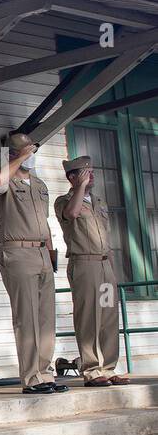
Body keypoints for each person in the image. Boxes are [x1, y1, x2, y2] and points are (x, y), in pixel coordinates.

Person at [0, 132, 67, 394]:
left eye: (32, 152)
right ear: (13, 154)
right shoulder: (5, 179)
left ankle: (45, 373)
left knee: (46, 318)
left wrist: (51, 252)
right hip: (17, 251)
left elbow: (44, 222)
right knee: (27, 317)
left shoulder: (39, 184)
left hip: (42, 252)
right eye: (25, 152)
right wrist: (19, 157)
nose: (30, 156)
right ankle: (31, 377)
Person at [54, 155, 127, 386]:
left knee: (108, 315)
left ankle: (108, 366)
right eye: (85, 172)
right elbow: (72, 214)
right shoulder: (64, 201)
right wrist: (81, 187)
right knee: (89, 317)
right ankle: (92, 369)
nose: (91, 175)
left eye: (91, 171)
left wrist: (113, 268)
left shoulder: (99, 202)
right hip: (84, 265)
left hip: (105, 265)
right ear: (72, 177)